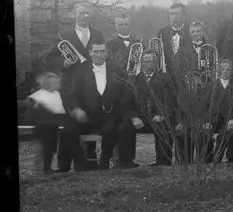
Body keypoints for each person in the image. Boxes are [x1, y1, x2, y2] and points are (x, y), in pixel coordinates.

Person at [60, 40, 138, 170]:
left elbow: (126, 92)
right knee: (67, 131)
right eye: (96, 51)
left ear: (107, 53)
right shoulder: (80, 71)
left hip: (109, 116)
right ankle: (81, 163)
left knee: (111, 129)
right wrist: (77, 110)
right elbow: (72, 94)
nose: (99, 54)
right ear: (90, 53)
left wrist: (126, 112)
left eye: (103, 51)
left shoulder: (116, 69)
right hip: (86, 116)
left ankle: (104, 162)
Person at [131, 50, 177, 167]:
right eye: (146, 61)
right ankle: (127, 162)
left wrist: (161, 115)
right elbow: (129, 100)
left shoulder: (165, 78)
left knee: (163, 127)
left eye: (152, 61)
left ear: (157, 63)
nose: (149, 64)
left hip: (158, 116)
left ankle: (163, 162)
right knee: (124, 128)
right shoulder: (136, 78)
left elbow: (170, 100)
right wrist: (134, 117)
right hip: (141, 117)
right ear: (142, 63)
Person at [27, 69, 68, 174]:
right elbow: (33, 113)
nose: (59, 84)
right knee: (47, 149)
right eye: (57, 83)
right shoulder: (38, 96)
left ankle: (50, 167)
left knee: (52, 148)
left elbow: (60, 111)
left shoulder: (57, 94)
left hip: (54, 126)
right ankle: (45, 168)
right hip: (43, 127)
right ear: (50, 84)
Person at [156, 3, 190, 73]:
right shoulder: (162, 32)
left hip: (188, 74)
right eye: (171, 14)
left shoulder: (192, 31)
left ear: (184, 16)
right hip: (167, 75)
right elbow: (157, 55)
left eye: (177, 14)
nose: (174, 17)